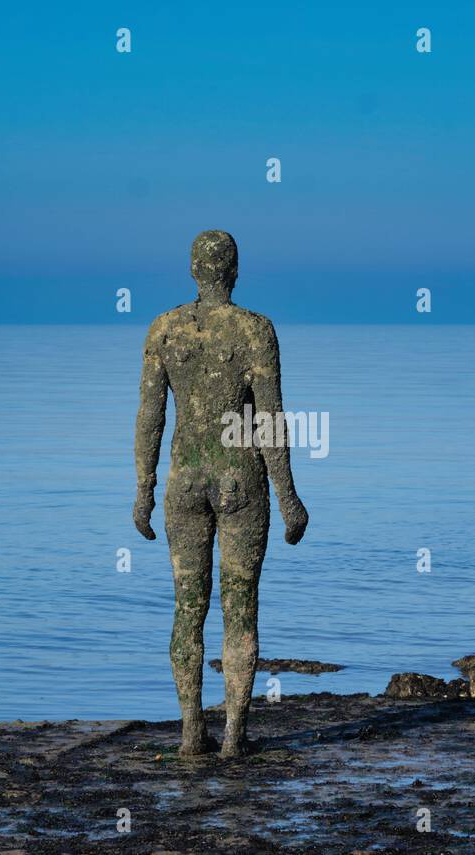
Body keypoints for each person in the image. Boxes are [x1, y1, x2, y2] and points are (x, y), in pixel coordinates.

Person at [133, 230, 309, 758]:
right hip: (240, 478)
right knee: (240, 608)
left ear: (193, 270)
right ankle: (233, 736)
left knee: (188, 606)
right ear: (235, 271)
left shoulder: (164, 330)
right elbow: (270, 422)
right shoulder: (256, 330)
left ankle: (191, 733)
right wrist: (289, 498)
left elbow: (149, 417)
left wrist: (143, 490)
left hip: (184, 481)